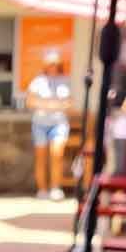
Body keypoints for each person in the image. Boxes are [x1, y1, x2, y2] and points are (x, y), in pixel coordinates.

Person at [27, 49, 72, 201]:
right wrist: (53, 105)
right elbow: (30, 102)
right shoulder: (37, 81)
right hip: (40, 124)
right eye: (50, 64)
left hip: (59, 123)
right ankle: (42, 190)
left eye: (55, 64)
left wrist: (46, 104)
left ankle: (55, 188)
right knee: (41, 157)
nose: (53, 66)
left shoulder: (65, 80)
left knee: (56, 154)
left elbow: (69, 103)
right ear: (45, 65)